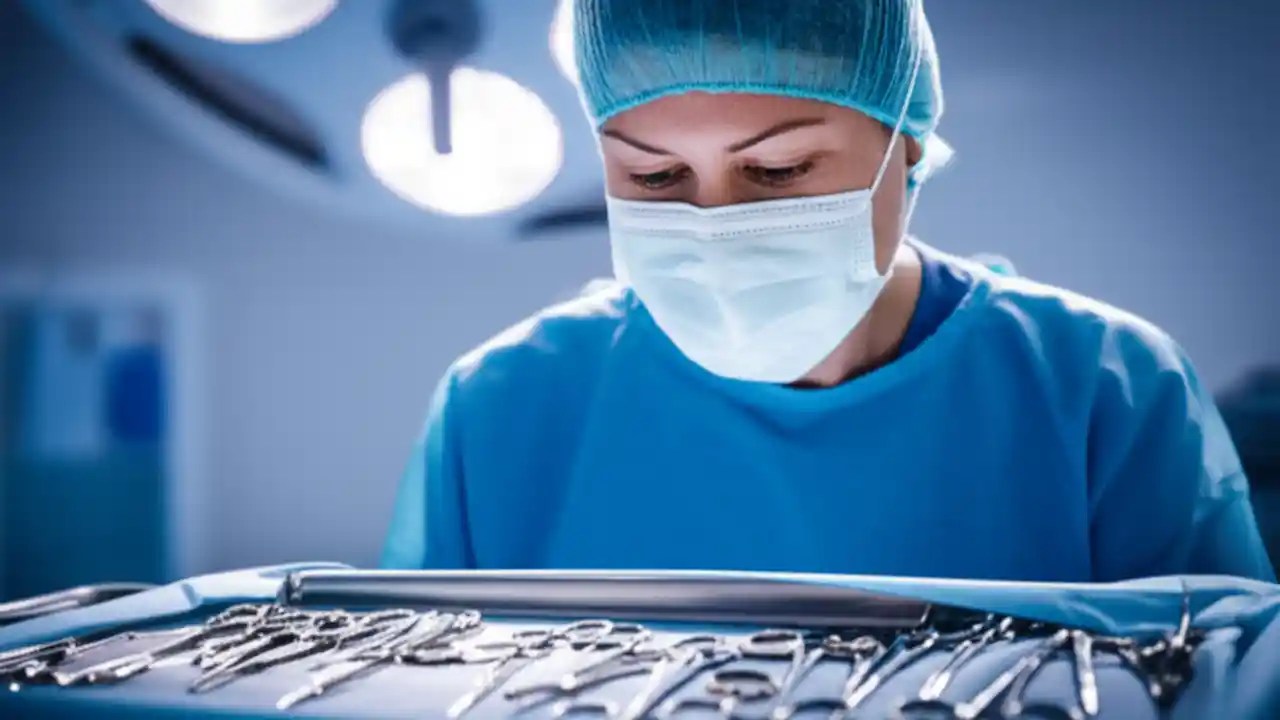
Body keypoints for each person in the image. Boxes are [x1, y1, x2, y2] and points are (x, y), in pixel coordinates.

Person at [382, 0, 1275, 583]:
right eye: (653, 177)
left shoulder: (1104, 391)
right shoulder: (501, 410)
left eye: (778, 170)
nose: (713, 221)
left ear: (906, 150)